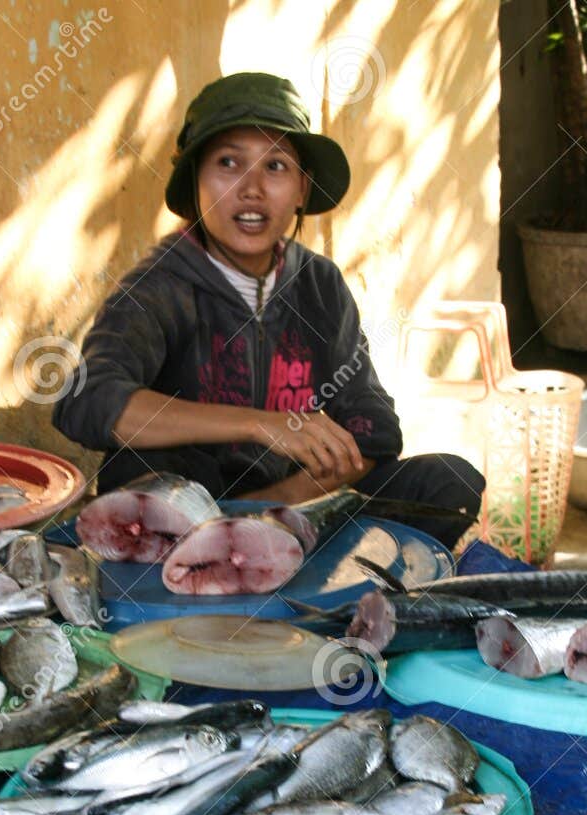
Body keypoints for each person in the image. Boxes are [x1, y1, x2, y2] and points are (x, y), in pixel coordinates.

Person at [53, 71, 484, 551]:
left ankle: (296, 570)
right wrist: (259, 423)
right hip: (194, 516)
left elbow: (374, 427)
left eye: (276, 166)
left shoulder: (319, 285)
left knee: (449, 484)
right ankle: (222, 568)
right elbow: (87, 401)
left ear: (302, 189)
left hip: (303, 508)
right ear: (194, 183)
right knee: (135, 476)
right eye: (228, 162)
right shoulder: (160, 287)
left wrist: (285, 500)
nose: (252, 188)